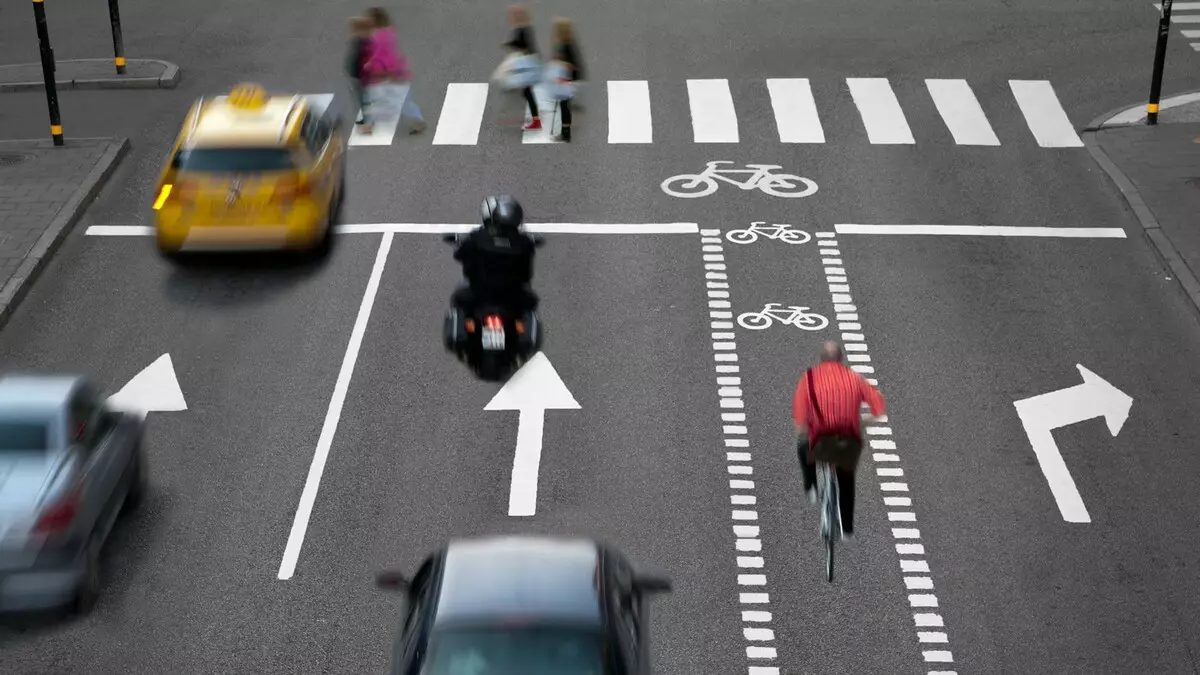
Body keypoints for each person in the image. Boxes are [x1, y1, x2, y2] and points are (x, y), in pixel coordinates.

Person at [792, 341, 886, 540]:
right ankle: (847, 528)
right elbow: (878, 407)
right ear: (841, 360)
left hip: (821, 442)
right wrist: (862, 423)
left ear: (821, 360)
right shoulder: (855, 378)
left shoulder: (808, 380)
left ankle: (812, 487)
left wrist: (806, 430)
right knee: (846, 476)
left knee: (803, 446)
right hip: (848, 443)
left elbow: (799, 423)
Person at [448, 195, 540, 326]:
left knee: (458, 300)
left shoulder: (477, 237)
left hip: (479, 293)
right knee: (531, 304)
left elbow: (459, 255)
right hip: (513, 296)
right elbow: (526, 274)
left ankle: (465, 330)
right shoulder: (523, 242)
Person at [360, 7, 426, 135]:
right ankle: (418, 120)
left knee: (374, 98)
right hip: (397, 72)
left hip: (385, 75)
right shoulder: (389, 32)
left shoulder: (377, 37)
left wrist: (370, 65)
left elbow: (379, 56)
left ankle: (368, 125)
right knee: (404, 100)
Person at [504, 4, 542, 131]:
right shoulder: (524, 28)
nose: (512, 17)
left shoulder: (522, 29)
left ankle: (536, 121)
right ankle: (536, 119)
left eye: (515, 15)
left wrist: (510, 44)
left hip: (528, 63)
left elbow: (523, 45)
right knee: (527, 91)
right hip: (529, 62)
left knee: (527, 92)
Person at [550, 17, 584, 143]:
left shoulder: (567, 45)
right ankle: (565, 133)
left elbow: (572, 64)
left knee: (564, 106)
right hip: (567, 79)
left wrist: (560, 62)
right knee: (564, 106)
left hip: (567, 80)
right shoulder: (567, 43)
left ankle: (565, 134)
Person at [346, 17, 372, 126]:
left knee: (364, 99)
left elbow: (359, 60)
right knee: (365, 98)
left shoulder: (362, 42)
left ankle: (368, 121)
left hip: (362, 76)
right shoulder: (361, 41)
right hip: (360, 76)